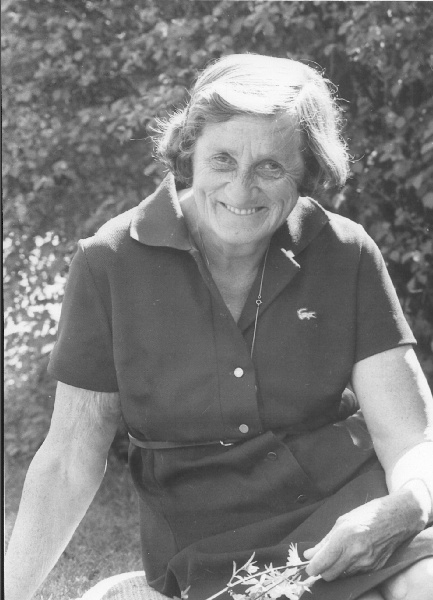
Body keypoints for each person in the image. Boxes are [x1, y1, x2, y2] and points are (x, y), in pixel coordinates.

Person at [5, 53, 433, 600]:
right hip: (211, 545)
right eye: (223, 160)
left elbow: (408, 433)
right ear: (189, 152)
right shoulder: (108, 262)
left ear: (308, 169)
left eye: (271, 167)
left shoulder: (345, 251)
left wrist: (406, 507)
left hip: (351, 508)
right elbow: (69, 457)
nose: (241, 189)